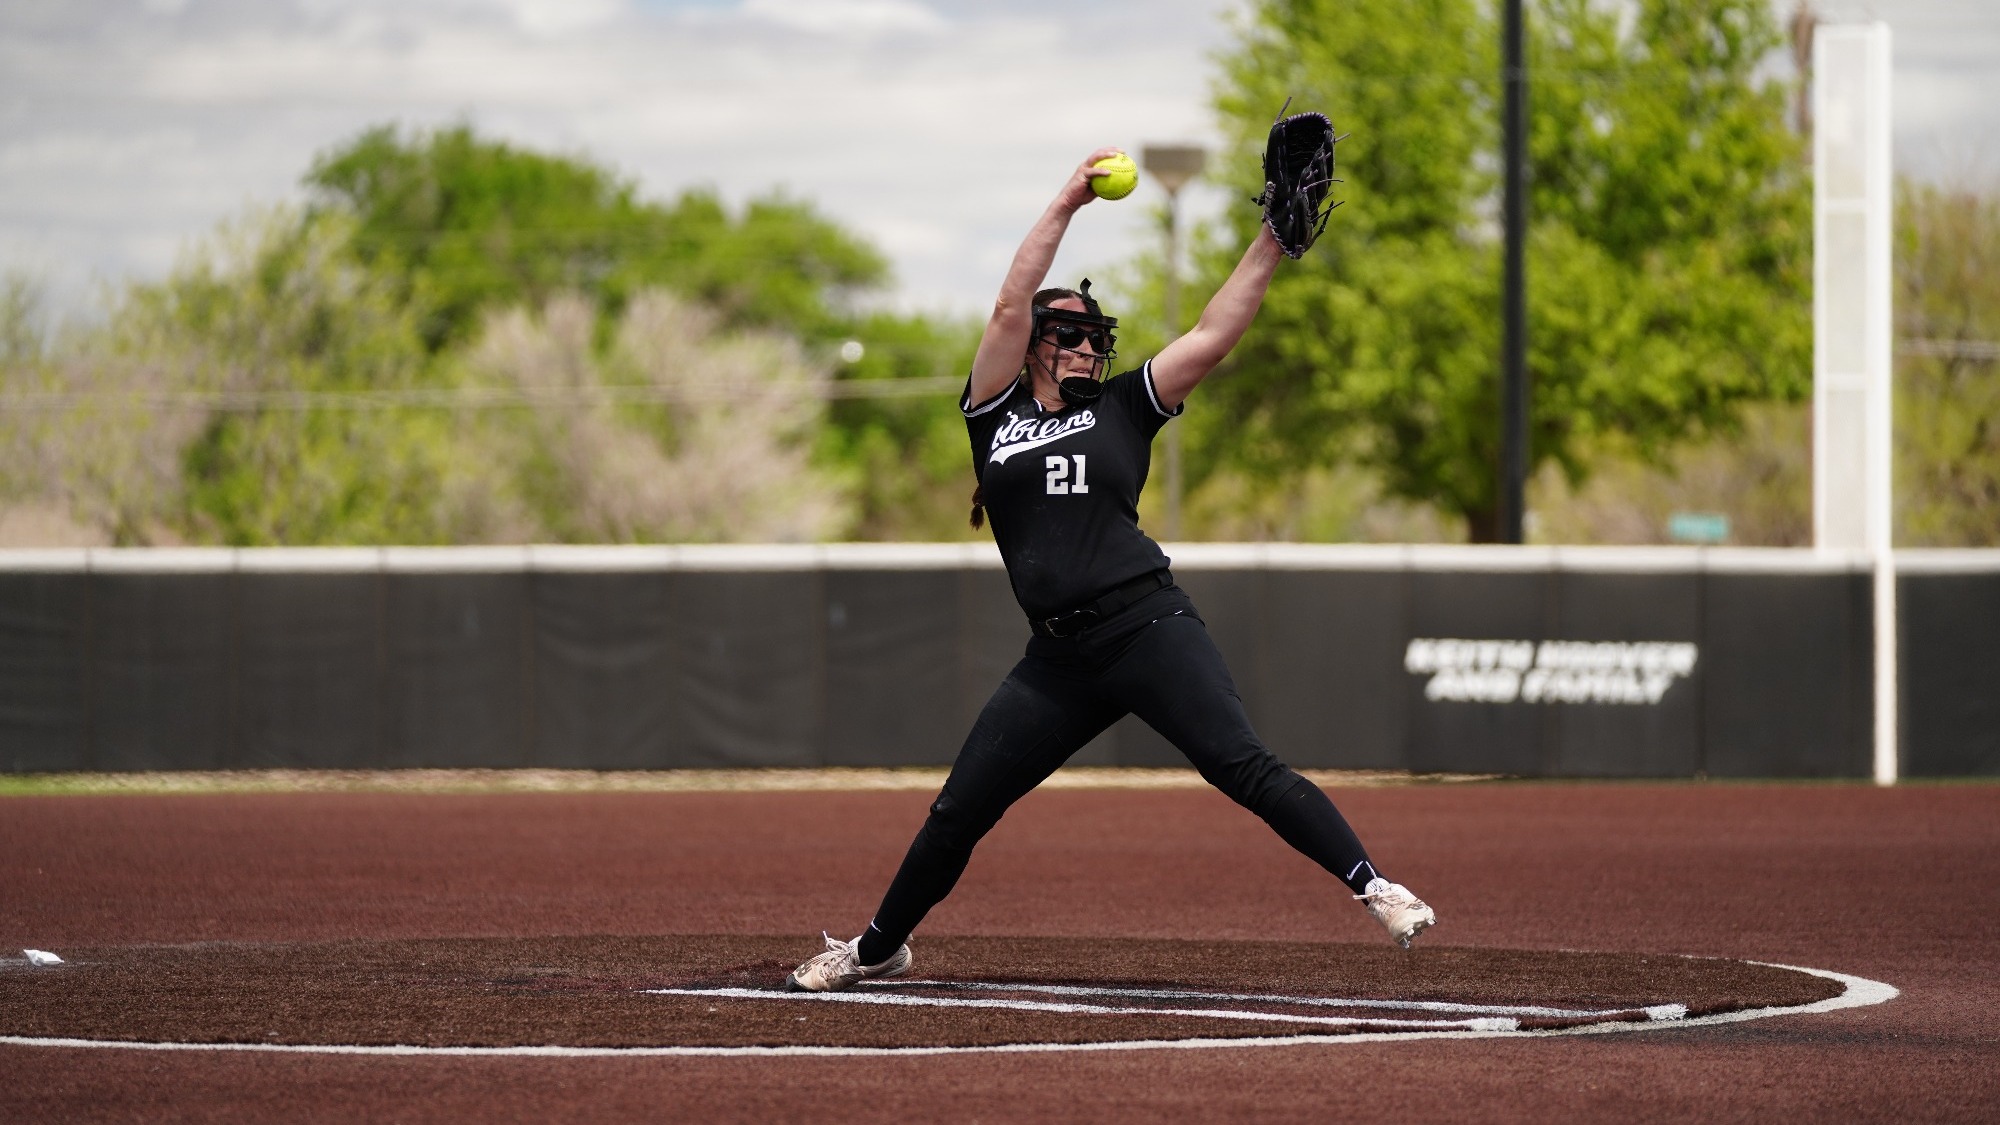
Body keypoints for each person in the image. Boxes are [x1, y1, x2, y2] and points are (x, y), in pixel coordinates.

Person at [786, 147, 1434, 992]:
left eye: (1098, 339)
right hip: (1057, 659)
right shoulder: (995, 412)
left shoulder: (1127, 406)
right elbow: (1011, 301)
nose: (1089, 350)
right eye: (1071, 338)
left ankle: (1375, 885)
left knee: (1241, 763)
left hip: (1147, 624)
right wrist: (1066, 201)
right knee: (959, 809)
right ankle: (876, 948)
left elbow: (1213, 332)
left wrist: (1270, 240)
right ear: (1033, 350)